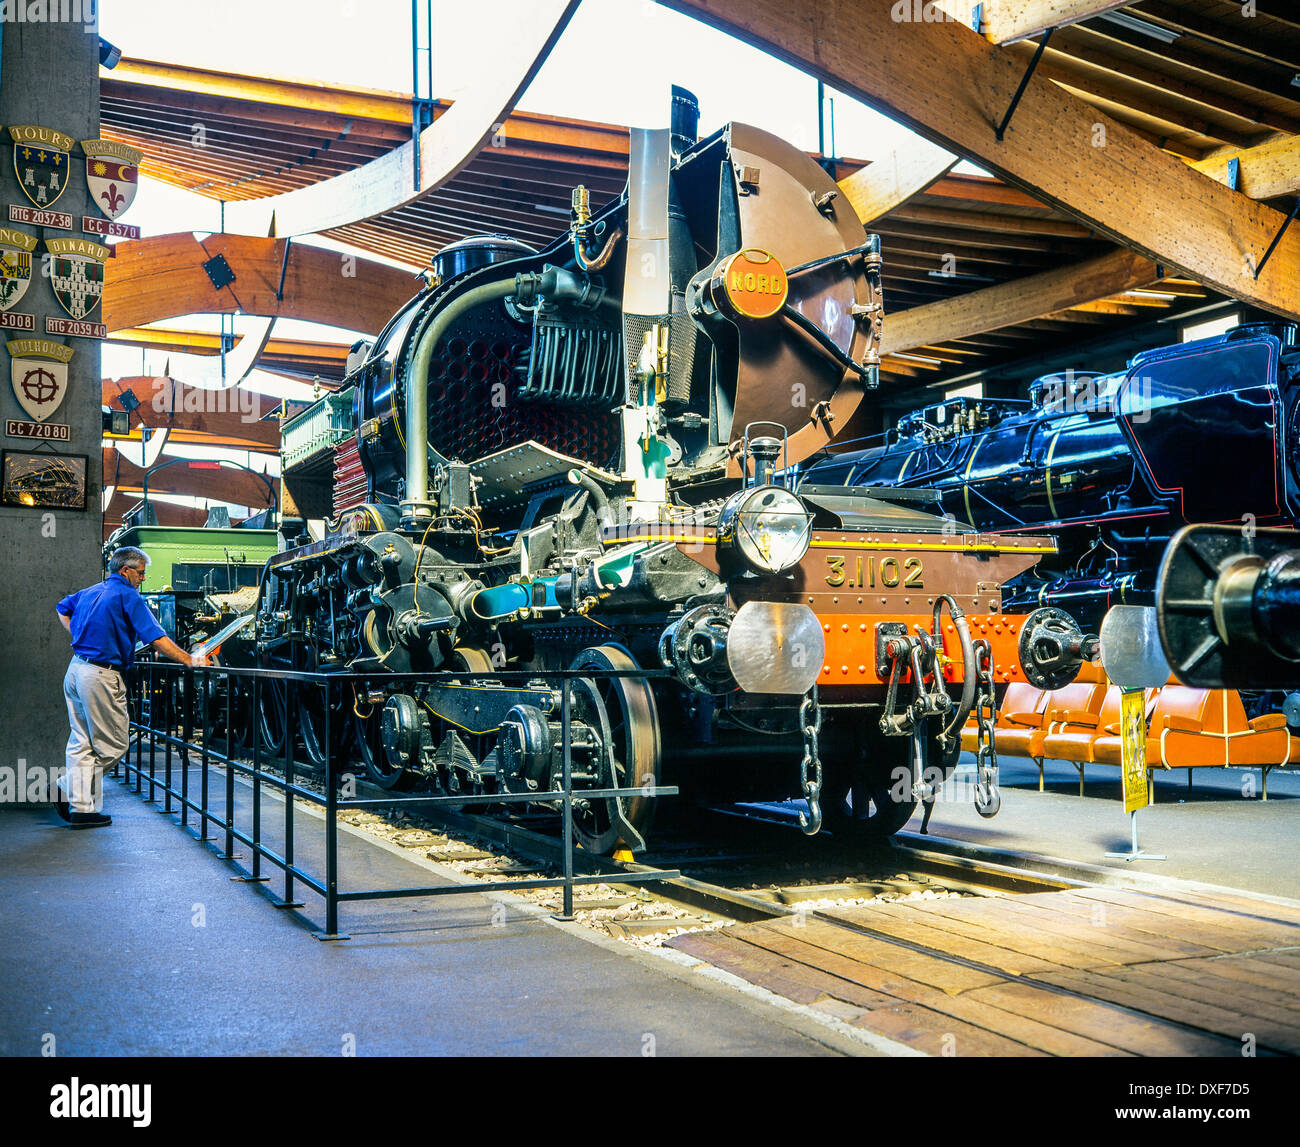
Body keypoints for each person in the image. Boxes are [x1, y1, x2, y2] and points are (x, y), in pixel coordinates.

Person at [55, 546, 210, 828]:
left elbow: (62, 608)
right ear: (126, 571)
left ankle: (82, 811)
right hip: (102, 674)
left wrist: (76, 634)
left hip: (76, 669)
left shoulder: (91, 591)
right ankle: (67, 785)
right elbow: (156, 640)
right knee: (115, 745)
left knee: (81, 742)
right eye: (140, 573)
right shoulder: (128, 595)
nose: (142, 579)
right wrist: (190, 660)